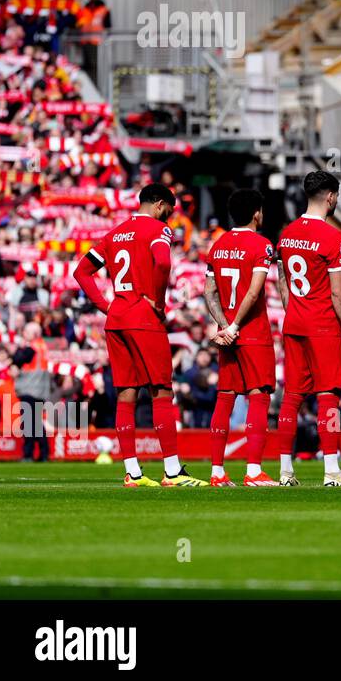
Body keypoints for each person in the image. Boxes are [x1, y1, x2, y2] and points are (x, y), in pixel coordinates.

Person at [74, 183, 205, 486]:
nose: (169, 220)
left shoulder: (115, 233)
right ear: (160, 205)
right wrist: (157, 301)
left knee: (126, 394)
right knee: (161, 390)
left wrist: (106, 307)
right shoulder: (157, 231)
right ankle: (172, 471)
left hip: (117, 319)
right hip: (144, 318)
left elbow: (81, 272)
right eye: (169, 213)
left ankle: (133, 473)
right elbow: (162, 261)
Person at [275, 171, 341, 487]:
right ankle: (331, 469)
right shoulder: (332, 237)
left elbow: (283, 283)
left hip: (294, 321)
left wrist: (293, 310)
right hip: (322, 325)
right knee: (328, 396)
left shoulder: (286, 234)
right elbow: (338, 293)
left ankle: (285, 470)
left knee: (292, 397)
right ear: (331, 197)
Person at [202, 188, 279, 487]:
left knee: (225, 398)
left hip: (227, 335)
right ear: (257, 213)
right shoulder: (262, 245)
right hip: (252, 332)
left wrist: (223, 326)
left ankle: (217, 472)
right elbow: (254, 291)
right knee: (259, 397)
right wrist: (234, 326)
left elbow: (209, 292)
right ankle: (253, 471)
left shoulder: (217, 245)